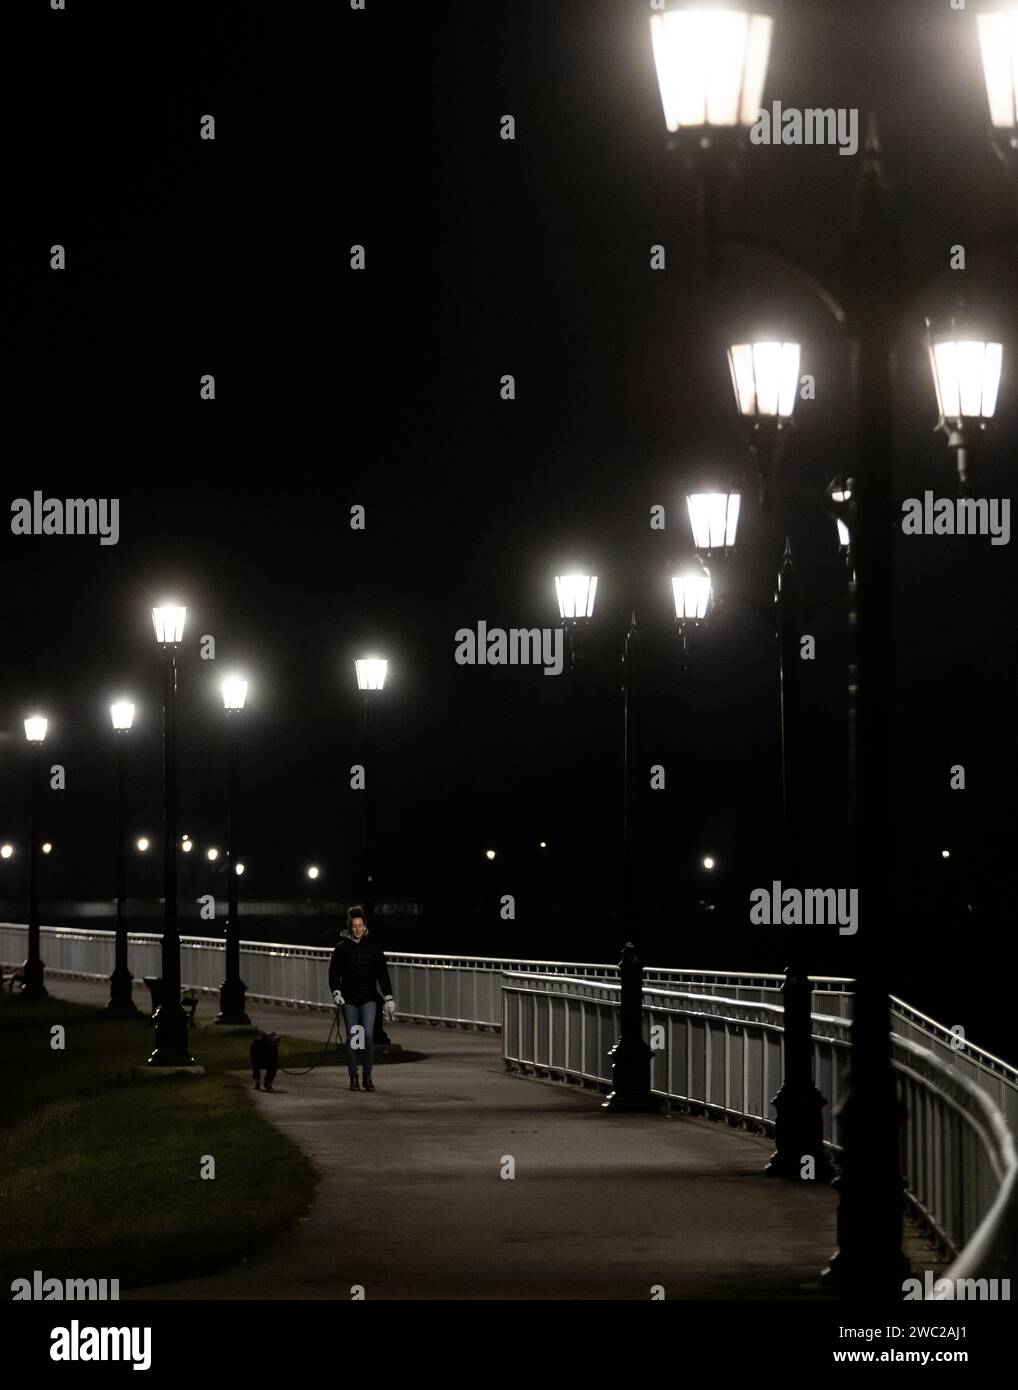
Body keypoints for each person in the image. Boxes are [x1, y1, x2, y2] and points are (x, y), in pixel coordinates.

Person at [328, 906, 397, 1091]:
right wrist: (336, 992)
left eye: (360, 925)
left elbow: (383, 973)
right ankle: (353, 1077)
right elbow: (333, 973)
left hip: (368, 998)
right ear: (349, 926)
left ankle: (368, 1077)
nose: (357, 929)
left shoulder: (373, 947)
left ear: (364, 926)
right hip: (350, 999)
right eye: (354, 926)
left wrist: (389, 997)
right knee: (353, 1038)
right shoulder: (342, 948)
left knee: (367, 1036)